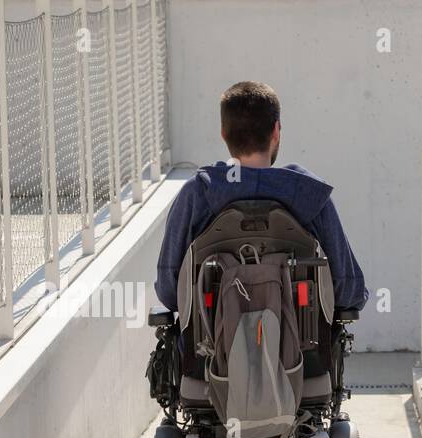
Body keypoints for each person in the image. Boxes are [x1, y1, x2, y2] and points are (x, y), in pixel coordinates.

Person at [155, 80, 367, 314]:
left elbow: (169, 291)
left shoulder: (196, 194)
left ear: (224, 134)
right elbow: (348, 291)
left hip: (209, 349)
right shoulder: (311, 195)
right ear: (276, 131)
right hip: (302, 349)